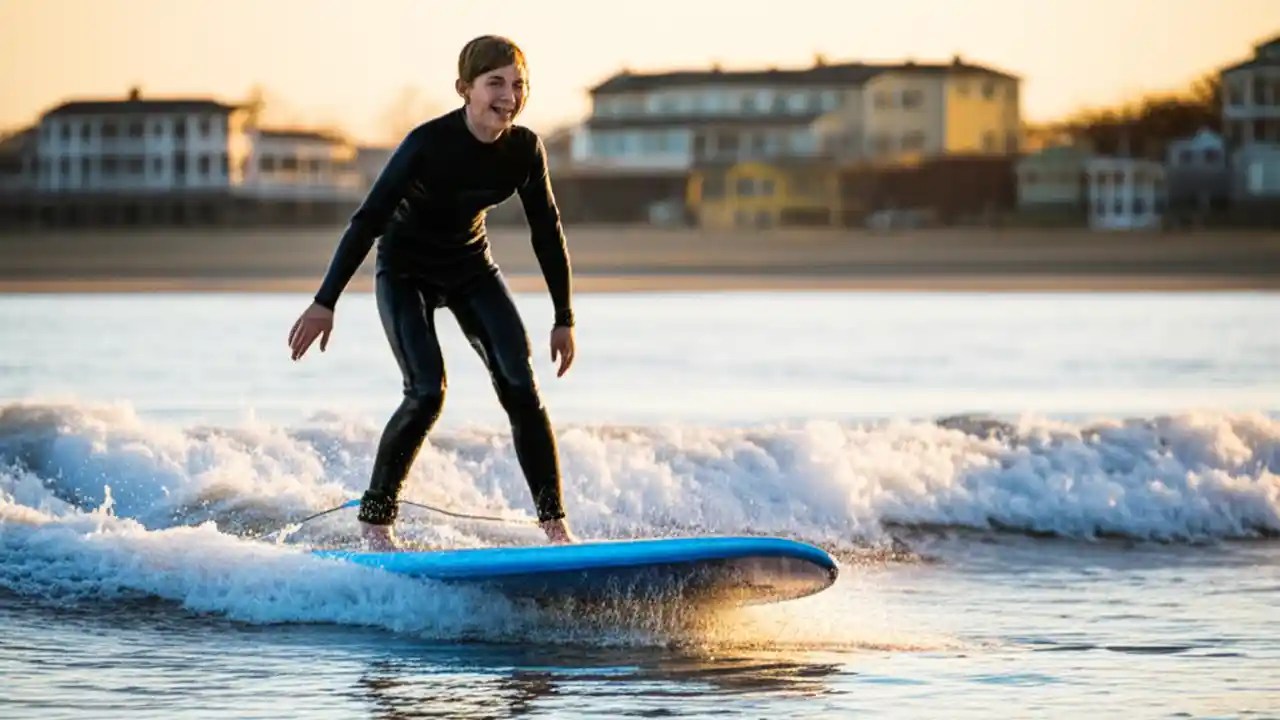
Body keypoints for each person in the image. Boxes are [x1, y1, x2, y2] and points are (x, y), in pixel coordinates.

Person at [286, 35, 578, 550]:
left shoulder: (524, 149)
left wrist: (563, 316)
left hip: (470, 267)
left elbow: (547, 230)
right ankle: (375, 524)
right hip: (404, 271)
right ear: (465, 89)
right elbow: (368, 220)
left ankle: (556, 528)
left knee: (519, 383)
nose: (509, 96)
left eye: (518, 85)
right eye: (496, 84)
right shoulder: (426, 143)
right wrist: (325, 301)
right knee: (426, 391)